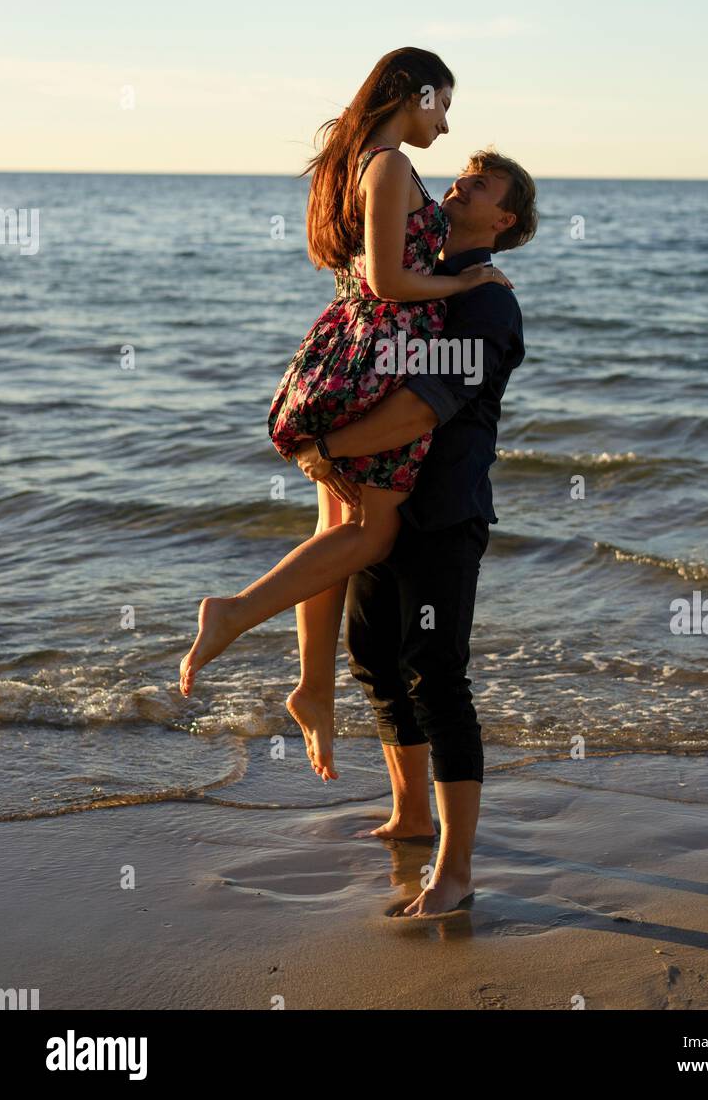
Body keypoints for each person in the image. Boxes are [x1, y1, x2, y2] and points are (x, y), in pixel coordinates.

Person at [177, 48, 512, 786]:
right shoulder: (389, 164)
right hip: (377, 356)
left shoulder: (350, 160)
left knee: (336, 531)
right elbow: (387, 278)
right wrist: (465, 277)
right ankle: (232, 614)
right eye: (441, 105)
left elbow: (349, 268)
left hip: (345, 345)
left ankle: (315, 690)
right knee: (374, 529)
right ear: (414, 94)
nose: (446, 124)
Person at [295, 148, 538, 915]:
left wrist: (325, 449)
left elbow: (420, 410)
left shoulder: (488, 303)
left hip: (442, 512)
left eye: (480, 183)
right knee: (373, 658)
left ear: (503, 220)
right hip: (384, 504)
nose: (459, 182)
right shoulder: (424, 282)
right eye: (461, 172)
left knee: (438, 676)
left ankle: (457, 871)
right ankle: (410, 812)